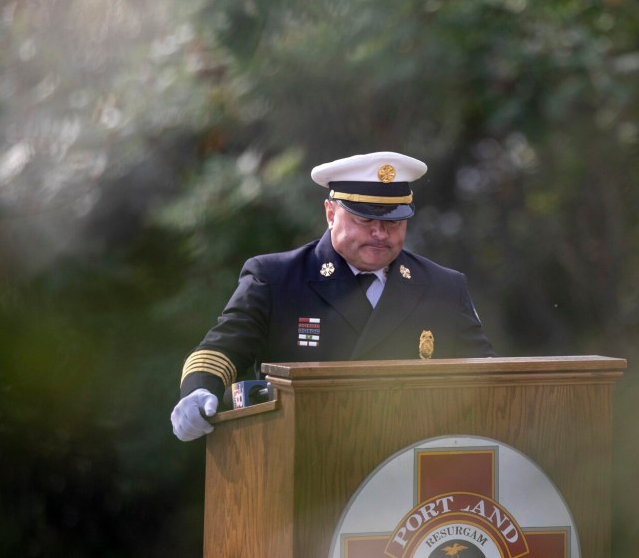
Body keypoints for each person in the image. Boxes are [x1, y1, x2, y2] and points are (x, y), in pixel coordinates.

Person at [171, 151, 496, 441]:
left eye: (394, 222)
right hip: (303, 456)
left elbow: (489, 379)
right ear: (330, 213)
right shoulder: (276, 278)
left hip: (411, 470)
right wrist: (199, 390)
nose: (380, 234)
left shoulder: (444, 287)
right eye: (364, 219)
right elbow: (221, 349)